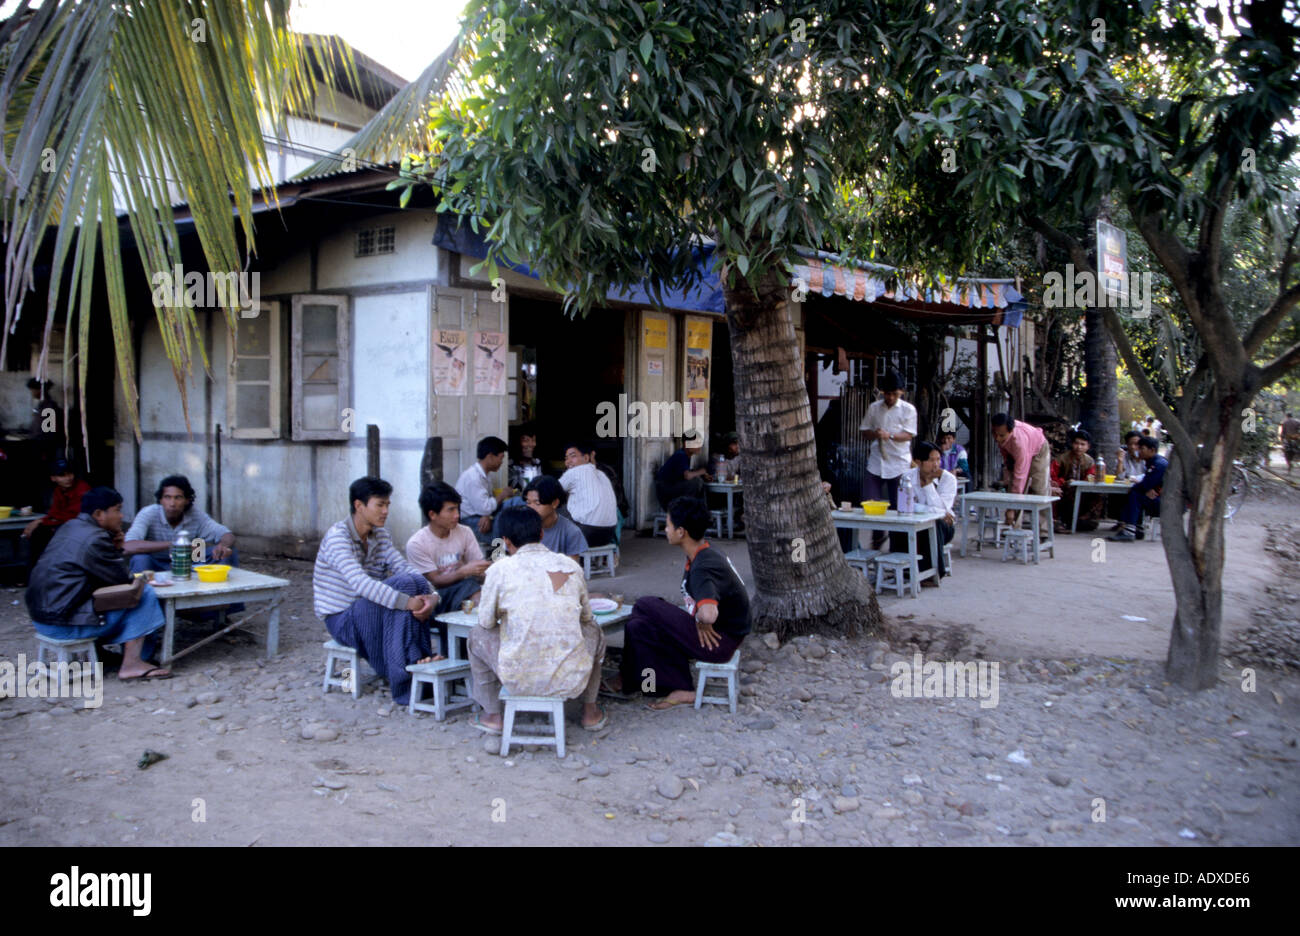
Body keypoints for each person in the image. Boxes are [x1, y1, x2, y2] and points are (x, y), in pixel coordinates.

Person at [468, 507, 607, 733]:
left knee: (477, 634)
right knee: (593, 630)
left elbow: (486, 623)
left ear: (505, 541)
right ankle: (590, 712)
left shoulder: (499, 570)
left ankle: (493, 715)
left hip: (516, 678)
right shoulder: (570, 566)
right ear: (542, 534)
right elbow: (587, 617)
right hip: (570, 679)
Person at [602, 496, 749, 710]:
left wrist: (701, 621)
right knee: (637, 627)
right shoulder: (705, 551)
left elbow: (709, 615)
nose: (665, 529)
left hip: (717, 642)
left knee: (645, 605)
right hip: (720, 638)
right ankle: (651, 684)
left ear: (682, 532)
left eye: (669, 525)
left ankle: (636, 680)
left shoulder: (703, 566)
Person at [313, 476, 441, 705]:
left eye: (387, 505)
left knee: (413, 580)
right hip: (343, 620)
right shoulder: (337, 537)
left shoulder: (380, 535)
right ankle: (407, 674)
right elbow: (361, 584)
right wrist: (408, 603)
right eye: (379, 505)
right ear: (359, 506)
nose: (385, 511)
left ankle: (415, 664)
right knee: (403, 586)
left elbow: (404, 567)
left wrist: (432, 596)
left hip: (370, 612)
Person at [26, 487, 170, 680]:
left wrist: (114, 548)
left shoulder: (70, 526)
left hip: (41, 619)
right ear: (99, 514)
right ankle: (133, 664)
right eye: (117, 510)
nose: (121, 516)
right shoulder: (95, 538)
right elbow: (124, 580)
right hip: (62, 624)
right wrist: (118, 549)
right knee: (144, 593)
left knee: (104, 593)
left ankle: (102, 654)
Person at [405, 482, 490, 654]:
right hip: (433, 600)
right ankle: (463, 653)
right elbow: (434, 580)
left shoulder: (464, 532)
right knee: (470, 588)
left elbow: (479, 568)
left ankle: (471, 652)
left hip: (463, 594)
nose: (457, 515)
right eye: (450, 510)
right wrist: (464, 571)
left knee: (481, 591)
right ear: (433, 514)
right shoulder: (417, 543)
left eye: (457, 509)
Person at [122, 475, 238, 572]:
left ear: (187, 500)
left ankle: (222, 597)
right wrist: (173, 545)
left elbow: (227, 535)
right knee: (140, 559)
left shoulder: (195, 514)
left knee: (228, 553)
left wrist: (223, 546)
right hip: (155, 565)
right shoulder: (148, 513)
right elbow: (128, 546)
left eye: (178, 498)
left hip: (187, 562)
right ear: (160, 500)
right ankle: (144, 597)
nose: (172, 503)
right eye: (167, 497)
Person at [889, 441, 957, 581]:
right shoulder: (907, 477)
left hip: (944, 526)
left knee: (933, 525)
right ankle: (903, 569)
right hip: (917, 521)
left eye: (938, 459)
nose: (936, 464)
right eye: (931, 460)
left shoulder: (948, 479)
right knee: (897, 525)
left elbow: (942, 510)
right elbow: (907, 506)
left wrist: (928, 485)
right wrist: (933, 511)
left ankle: (933, 574)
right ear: (918, 462)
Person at [858, 370, 917, 512]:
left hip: (899, 463)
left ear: (901, 392)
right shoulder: (874, 408)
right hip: (876, 462)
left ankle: (897, 535)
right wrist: (875, 434)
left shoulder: (908, 409)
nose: (890, 397)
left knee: (899, 507)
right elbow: (864, 432)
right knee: (870, 503)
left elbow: (909, 435)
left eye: (894, 394)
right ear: (883, 392)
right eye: (887, 393)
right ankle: (878, 534)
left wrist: (889, 435)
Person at [21, 458, 91, 573]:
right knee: (37, 534)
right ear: (53, 478)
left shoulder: (82, 488)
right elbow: (54, 512)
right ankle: (33, 573)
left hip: (79, 526)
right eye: (62, 475)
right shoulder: (58, 491)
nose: (68, 478)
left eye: (70, 474)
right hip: (63, 524)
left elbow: (73, 515)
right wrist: (42, 521)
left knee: (43, 535)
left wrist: (42, 521)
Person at [991, 412, 1052, 538]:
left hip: (1038, 450)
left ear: (1011, 431)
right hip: (1019, 453)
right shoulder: (1000, 434)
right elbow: (1006, 455)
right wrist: (1008, 473)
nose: (997, 438)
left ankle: (1043, 532)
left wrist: (1012, 507)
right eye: (994, 434)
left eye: (1001, 435)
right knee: (1013, 486)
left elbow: (1021, 476)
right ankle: (1013, 526)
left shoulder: (1019, 442)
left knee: (1038, 489)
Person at [455, 436, 512, 548]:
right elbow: (485, 508)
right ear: (490, 457)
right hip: (471, 523)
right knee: (506, 523)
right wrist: (502, 495)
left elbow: (484, 507)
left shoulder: (484, 475)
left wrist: (487, 515)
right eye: (501, 458)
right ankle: (499, 557)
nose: (501, 462)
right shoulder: (473, 477)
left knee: (514, 504)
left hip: (480, 516)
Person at [1108, 437, 1168, 542]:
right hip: (1159, 497)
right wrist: (1147, 488)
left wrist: (1147, 488)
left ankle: (1129, 531)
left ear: (1152, 450)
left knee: (1135, 494)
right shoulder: (1152, 462)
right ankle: (1136, 528)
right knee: (1137, 493)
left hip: (1165, 503)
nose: (1138, 451)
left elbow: (1145, 484)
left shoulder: (1158, 464)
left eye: (1142, 448)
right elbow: (1147, 485)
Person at [559, 440, 618, 546]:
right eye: (566, 458)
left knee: (550, 509)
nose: (568, 461)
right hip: (608, 535)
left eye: (573, 456)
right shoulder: (602, 474)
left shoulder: (575, 471)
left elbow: (550, 491)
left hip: (586, 534)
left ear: (586, 458)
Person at [524, 476, 588, 561]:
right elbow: (499, 545)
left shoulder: (571, 532)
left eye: (537, 503)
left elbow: (573, 568)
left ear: (555, 503)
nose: (531, 508)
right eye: (528, 503)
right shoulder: (517, 523)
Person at [1051, 429, 1098, 532]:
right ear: (1072, 444)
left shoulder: (1090, 461)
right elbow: (1052, 476)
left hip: (1082, 493)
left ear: (1088, 446)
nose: (1079, 447)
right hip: (1064, 491)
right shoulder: (1062, 459)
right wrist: (1063, 482)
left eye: (1083, 444)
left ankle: (1083, 519)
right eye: (1076, 443)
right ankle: (1055, 520)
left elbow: (1091, 476)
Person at [655, 430, 710, 509]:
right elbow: (687, 476)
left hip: (671, 490)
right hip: (666, 494)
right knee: (696, 482)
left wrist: (701, 474)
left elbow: (686, 473)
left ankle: (697, 510)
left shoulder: (685, 456)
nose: (699, 446)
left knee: (698, 479)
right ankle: (687, 509)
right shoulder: (681, 455)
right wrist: (701, 471)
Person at [507, 426, 543, 492]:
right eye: (526, 441)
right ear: (517, 443)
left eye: (533, 440)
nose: (531, 444)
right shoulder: (510, 465)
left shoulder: (537, 463)